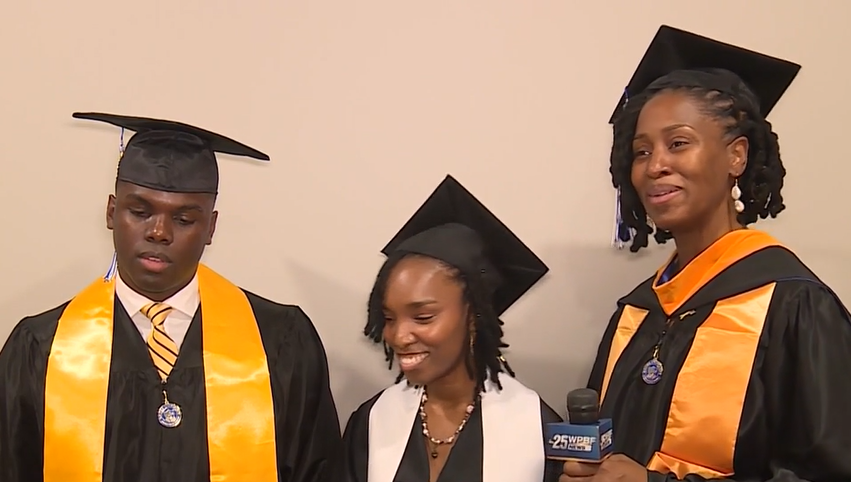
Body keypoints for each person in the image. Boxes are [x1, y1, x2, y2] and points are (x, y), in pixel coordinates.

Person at [560, 25, 851, 482]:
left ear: (736, 156)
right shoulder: (637, 312)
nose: (655, 165)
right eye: (641, 151)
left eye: (678, 143)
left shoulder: (794, 306)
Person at [0, 112, 343, 482]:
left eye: (183, 219)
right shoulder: (42, 349)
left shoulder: (278, 342)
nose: (159, 232)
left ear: (210, 227)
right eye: (140, 211)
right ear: (112, 212)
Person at [341, 174, 561, 482]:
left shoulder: (536, 429)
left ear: (473, 316)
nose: (398, 337)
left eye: (423, 317)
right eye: (389, 318)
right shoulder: (371, 422)